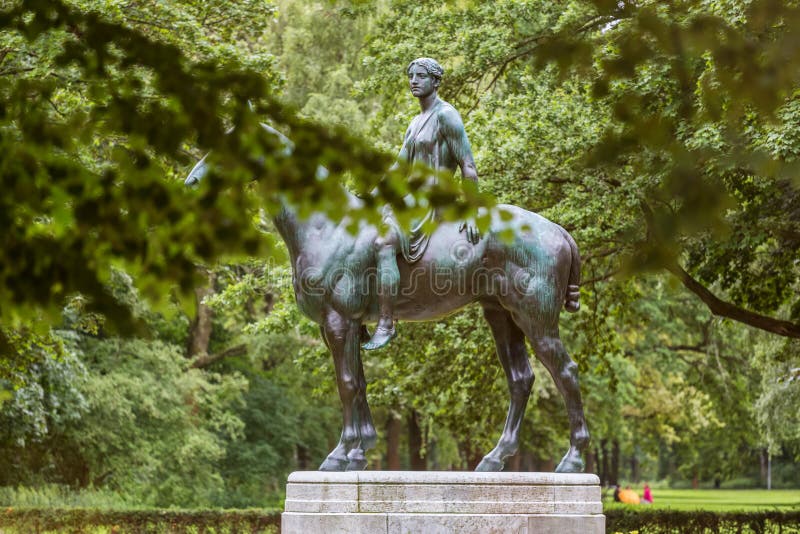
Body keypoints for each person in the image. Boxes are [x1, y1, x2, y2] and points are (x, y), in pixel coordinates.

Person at [362, 57, 480, 350]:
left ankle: (386, 324)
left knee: (384, 241)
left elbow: (468, 166)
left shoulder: (447, 116)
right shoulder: (415, 122)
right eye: (411, 76)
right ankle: (359, 311)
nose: (413, 81)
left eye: (421, 76)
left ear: (435, 81)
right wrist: (371, 198)